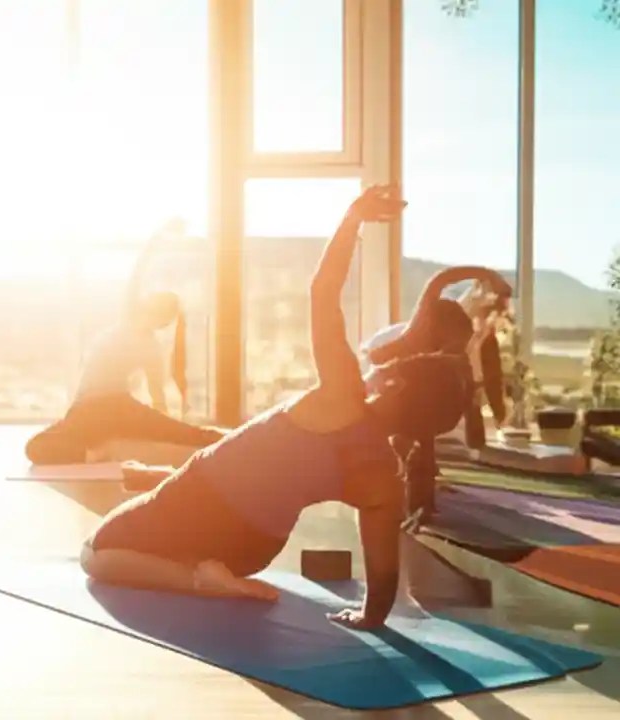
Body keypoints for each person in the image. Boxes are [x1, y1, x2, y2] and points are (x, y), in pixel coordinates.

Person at [81, 186, 474, 629]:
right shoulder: (383, 478)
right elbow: (383, 570)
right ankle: (197, 552)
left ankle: (198, 580)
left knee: (97, 554)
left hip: (201, 501)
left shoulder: (343, 392)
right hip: (253, 548)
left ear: (398, 381)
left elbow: (323, 290)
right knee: (208, 488)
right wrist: (370, 616)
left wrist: (352, 219)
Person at [363, 267, 511, 518]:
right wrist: (486, 274)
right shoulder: (421, 327)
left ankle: (420, 499)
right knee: (397, 436)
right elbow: (439, 280)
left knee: (421, 433)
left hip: (415, 382)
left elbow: (479, 385)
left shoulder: (456, 355)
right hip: (383, 364)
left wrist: (485, 434)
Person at [24, 290, 224, 465]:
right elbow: (157, 395)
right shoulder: (138, 342)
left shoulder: (114, 334)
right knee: (188, 434)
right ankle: (237, 438)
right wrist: (161, 422)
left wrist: (159, 421)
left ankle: (92, 454)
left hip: (98, 409)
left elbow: (154, 394)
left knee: (35, 447)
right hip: (104, 409)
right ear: (163, 320)